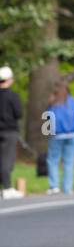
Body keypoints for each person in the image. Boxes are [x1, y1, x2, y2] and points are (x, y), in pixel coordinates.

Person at [44, 82, 74, 195]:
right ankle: (67, 187)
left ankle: (54, 185)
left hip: (56, 135)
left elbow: (47, 119)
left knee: (53, 160)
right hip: (72, 134)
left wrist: (47, 134)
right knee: (69, 161)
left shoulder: (52, 102)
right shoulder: (72, 101)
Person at [0, 66, 22, 199]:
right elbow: (19, 113)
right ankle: (7, 187)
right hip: (9, 130)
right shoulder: (12, 96)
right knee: (7, 159)